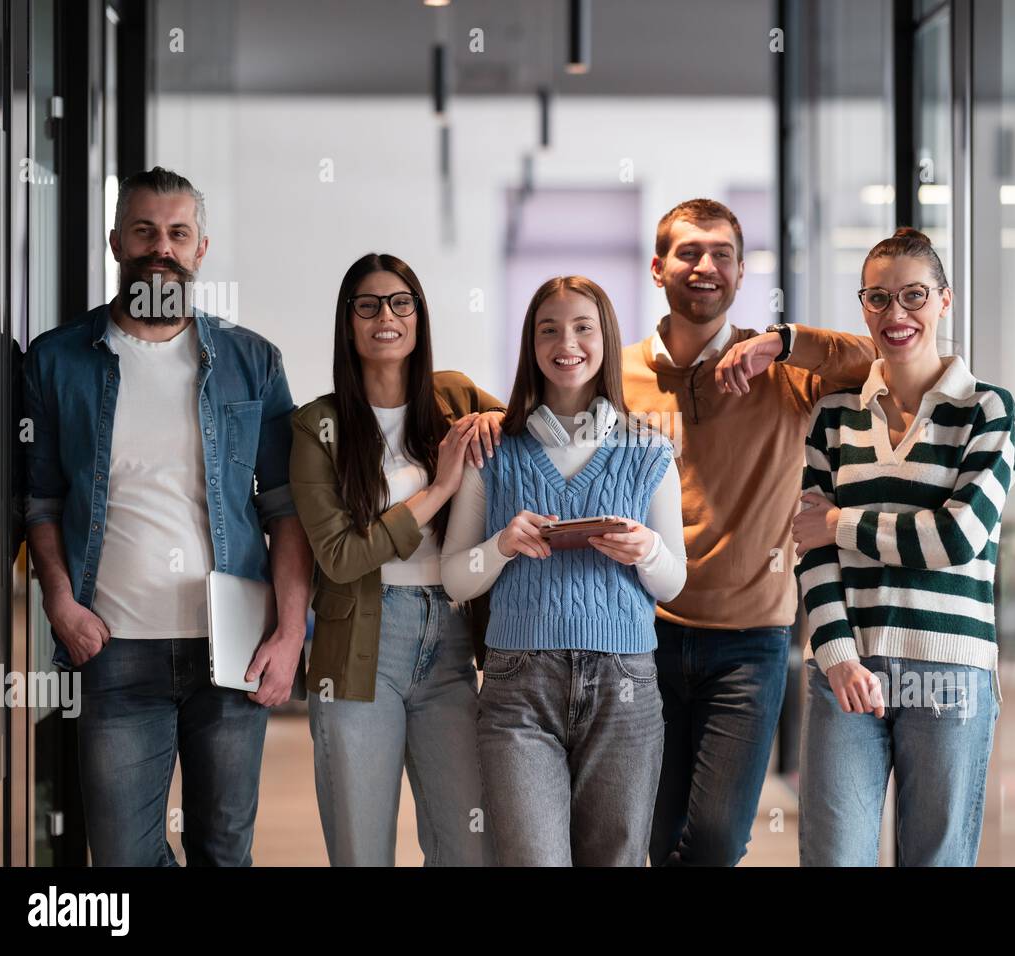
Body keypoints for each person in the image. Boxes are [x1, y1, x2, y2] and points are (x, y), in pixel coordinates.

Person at [22, 166, 313, 866]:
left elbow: (285, 508)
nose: (162, 247)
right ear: (117, 241)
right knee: (121, 859)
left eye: (178, 233)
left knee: (223, 850)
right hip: (114, 646)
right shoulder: (58, 359)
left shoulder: (252, 362)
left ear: (200, 249)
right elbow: (40, 502)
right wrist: (59, 602)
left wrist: (291, 634)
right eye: (145, 231)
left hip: (232, 647)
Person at [620, 198, 876, 866]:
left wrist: (783, 340)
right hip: (640, 635)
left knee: (714, 840)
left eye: (722, 254)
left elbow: (884, 358)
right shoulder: (617, 377)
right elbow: (544, 414)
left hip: (749, 644)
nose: (705, 266)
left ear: (739, 273)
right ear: (657, 268)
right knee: (652, 833)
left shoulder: (781, 373)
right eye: (688, 252)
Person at [441, 275, 686, 866]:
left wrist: (647, 549)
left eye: (583, 327)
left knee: (618, 857)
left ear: (606, 339)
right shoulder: (494, 449)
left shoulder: (650, 452)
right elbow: (454, 578)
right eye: (548, 330)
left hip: (624, 685)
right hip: (517, 687)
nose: (565, 342)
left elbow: (673, 581)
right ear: (530, 345)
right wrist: (502, 545)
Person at [793, 227, 1015, 866]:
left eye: (914, 296)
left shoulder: (988, 410)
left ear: (944, 300)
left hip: (951, 673)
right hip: (847, 670)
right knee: (835, 859)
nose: (897, 314)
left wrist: (840, 522)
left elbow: (958, 537)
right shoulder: (835, 417)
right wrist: (836, 655)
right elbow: (810, 554)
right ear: (863, 306)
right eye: (878, 298)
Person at [289, 252, 504, 867]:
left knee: (469, 846)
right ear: (348, 322)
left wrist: (496, 419)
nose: (386, 315)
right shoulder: (317, 427)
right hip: (359, 650)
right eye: (368, 305)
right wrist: (437, 489)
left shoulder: (455, 395)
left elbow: (532, 431)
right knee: (362, 848)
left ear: (419, 317)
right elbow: (338, 556)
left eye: (400, 302)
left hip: (451, 640)